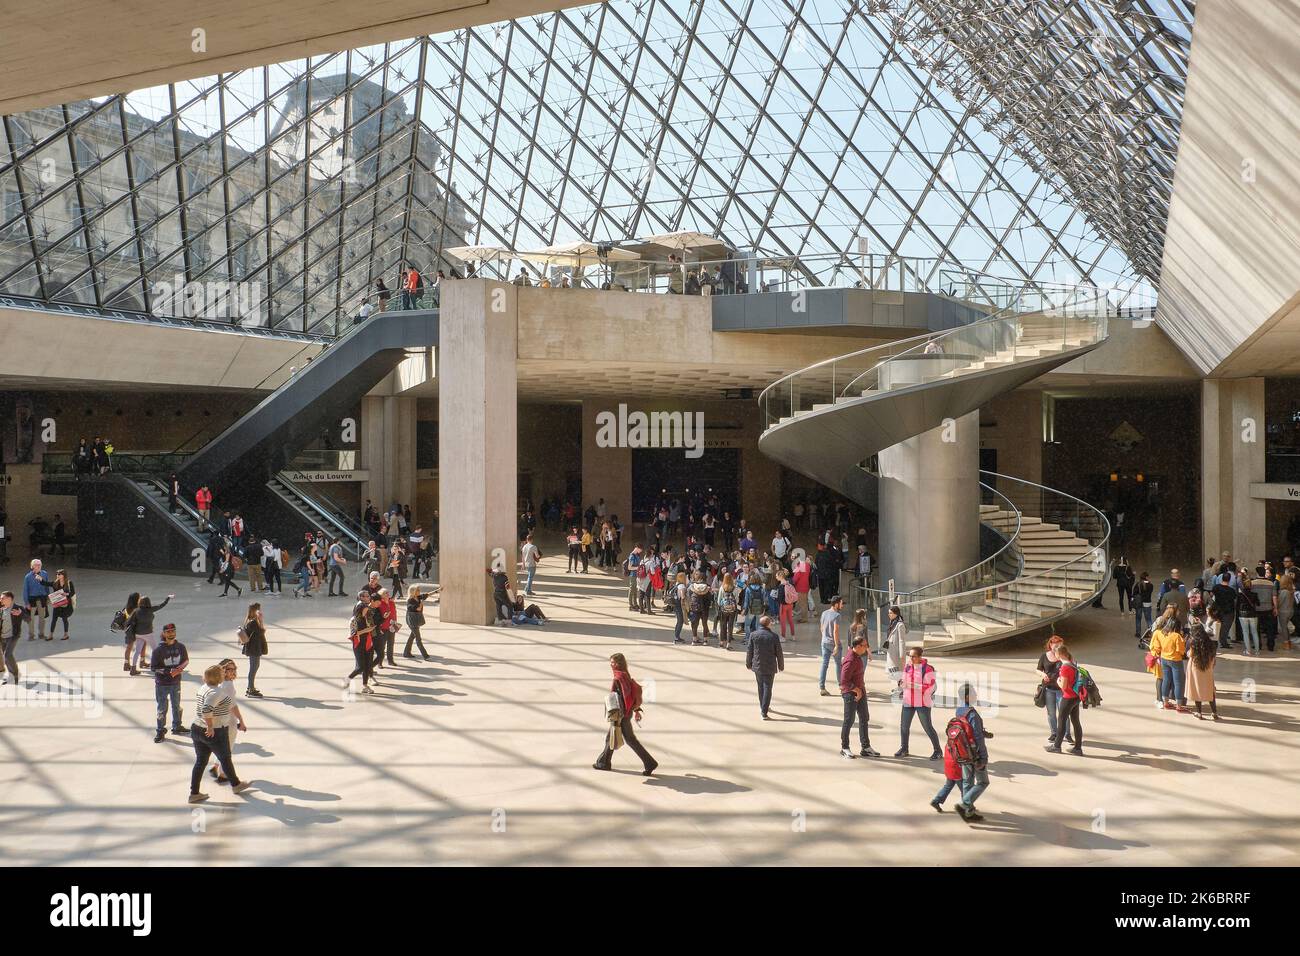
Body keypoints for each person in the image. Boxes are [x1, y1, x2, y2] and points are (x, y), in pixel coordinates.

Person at [188, 664, 250, 802]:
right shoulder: (217, 692)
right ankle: (236, 785)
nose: (224, 675)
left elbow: (229, 705)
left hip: (196, 728)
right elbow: (206, 709)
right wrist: (210, 726)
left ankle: (194, 793)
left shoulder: (203, 688)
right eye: (222, 673)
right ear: (218, 677)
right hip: (214, 730)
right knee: (225, 758)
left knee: (201, 761)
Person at [931, 683, 991, 822]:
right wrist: (984, 757)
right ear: (967, 696)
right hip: (974, 754)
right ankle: (965, 804)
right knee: (983, 782)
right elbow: (977, 737)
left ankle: (968, 812)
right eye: (974, 693)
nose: (976, 695)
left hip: (962, 752)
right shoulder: (972, 714)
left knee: (967, 782)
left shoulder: (959, 711)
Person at [593, 653, 658, 775]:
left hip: (620, 714)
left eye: (612, 662)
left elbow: (620, 698)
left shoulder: (618, 678)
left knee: (630, 740)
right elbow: (631, 696)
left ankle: (650, 763)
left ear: (618, 663)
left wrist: (622, 714)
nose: (610, 664)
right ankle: (604, 762)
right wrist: (635, 710)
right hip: (625, 713)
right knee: (611, 737)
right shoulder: (625, 674)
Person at [896, 645, 941, 759]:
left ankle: (938, 751)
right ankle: (904, 749)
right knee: (904, 727)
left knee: (927, 727)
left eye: (913, 657)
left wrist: (911, 685)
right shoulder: (908, 666)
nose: (911, 659)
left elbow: (928, 687)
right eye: (910, 656)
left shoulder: (928, 669)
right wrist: (901, 683)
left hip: (922, 702)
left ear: (920, 657)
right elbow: (904, 681)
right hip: (908, 701)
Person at [838, 635, 878, 758]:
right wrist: (856, 690)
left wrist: (861, 689)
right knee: (849, 720)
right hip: (851, 694)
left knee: (864, 718)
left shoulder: (858, 656)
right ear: (857, 646)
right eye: (865, 645)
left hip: (860, 691)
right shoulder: (850, 660)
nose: (867, 648)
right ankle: (845, 747)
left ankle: (865, 747)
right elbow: (843, 681)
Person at [150, 623, 188, 742]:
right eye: (168, 631)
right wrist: (169, 671)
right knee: (162, 708)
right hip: (161, 684)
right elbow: (153, 667)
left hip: (176, 683)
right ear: (164, 634)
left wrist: (179, 669)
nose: (171, 633)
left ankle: (177, 726)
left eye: (173, 631)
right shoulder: (158, 650)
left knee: (176, 705)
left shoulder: (181, 647)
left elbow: (186, 660)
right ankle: (160, 730)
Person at [1047, 643, 1084, 755]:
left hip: (1068, 697)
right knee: (1076, 722)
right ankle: (1078, 748)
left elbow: (1063, 685)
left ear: (1059, 654)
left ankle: (1056, 746)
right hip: (1076, 697)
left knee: (1061, 721)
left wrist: (1058, 680)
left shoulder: (1065, 667)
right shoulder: (1073, 663)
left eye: (1055, 653)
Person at [745, 615, 784, 719]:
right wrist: (781, 665)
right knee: (768, 687)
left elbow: (750, 650)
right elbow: (779, 652)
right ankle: (764, 711)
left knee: (760, 686)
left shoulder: (753, 635)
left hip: (757, 665)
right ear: (768, 624)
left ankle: (763, 705)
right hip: (770, 666)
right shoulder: (774, 636)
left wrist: (748, 663)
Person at [1036, 634, 1073, 744]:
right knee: (1051, 712)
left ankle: (1067, 734)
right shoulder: (1044, 656)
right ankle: (1054, 733)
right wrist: (1043, 675)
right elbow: (1037, 669)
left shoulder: (1065, 656)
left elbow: (1072, 666)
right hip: (1048, 689)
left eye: (1059, 646)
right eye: (1055, 645)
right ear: (1050, 645)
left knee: (1064, 713)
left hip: (1062, 689)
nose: (1057, 648)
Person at [1150, 607, 1188, 710]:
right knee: (1178, 681)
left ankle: (1165, 701)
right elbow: (1181, 651)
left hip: (1164, 659)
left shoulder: (1161, 633)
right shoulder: (1177, 636)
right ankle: (1179, 705)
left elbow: (1157, 647)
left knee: (1166, 679)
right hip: (1175, 660)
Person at [128, 593, 173, 676]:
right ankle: (157, 665)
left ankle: (133, 669)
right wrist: (168, 598)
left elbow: (129, 622)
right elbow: (162, 605)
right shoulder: (151, 610)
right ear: (148, 602)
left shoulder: (136, 611)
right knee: (155, 649)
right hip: (148, 633)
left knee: (137, 651)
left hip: (138, 634)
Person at [1186, 618, 1220, 720]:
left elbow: (1190, 654)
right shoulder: (1209, 642)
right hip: (1207, 667)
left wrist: (1188, 653)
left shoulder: (1193, 642)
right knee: (1210, 690)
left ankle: (1199, 713)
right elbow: (1213, 655)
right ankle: (1214, 712)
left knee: (1197, 690)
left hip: (1196, 668)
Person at [817, 594, 845, 696]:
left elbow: (822, 627)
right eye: (841, 603)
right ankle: (841, 686)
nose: (842, 605)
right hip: (833, 644)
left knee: (824, 664)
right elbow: (836, 631)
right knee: (838, 665)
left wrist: (825, 637)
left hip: (824, 642)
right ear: (836, 604)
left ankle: (822, 687)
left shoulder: (824, 613)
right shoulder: (837, 616)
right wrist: (837, 645)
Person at [240, 603, 267, 697]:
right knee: (253, 668)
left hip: (253, 647)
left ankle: (250, 687)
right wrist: (261, 620)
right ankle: (250, 689)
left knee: (255, 666)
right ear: (255, 611)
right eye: (259, 609)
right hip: (254, 648)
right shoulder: (253, 622)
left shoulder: (250, 620)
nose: (260, 611)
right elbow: (262, 631)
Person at [21, 558, 51, 640]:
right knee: (31, 619)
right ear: (32, 566)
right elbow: (25, 590)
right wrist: (27, 603)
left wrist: (48, 597)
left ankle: (41, 634)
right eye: (36, 565)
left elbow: (46, 586)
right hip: (32, 600)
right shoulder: (28, 577)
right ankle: (31, 635)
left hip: (42, 598)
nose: (38, 566)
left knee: (42, 618)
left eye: (39, 565)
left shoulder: (44, 574)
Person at [1, 592, 25, 687]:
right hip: (3, 636)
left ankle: (16, 673)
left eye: (2, 598)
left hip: (13, 635)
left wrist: (20, 613)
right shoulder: (1, 608)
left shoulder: (17, 607)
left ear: (9, 598)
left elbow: (28, 618)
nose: (1, 600)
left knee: (7, 654)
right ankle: (12, 675)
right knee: (5, 657)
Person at [882, 604, 906, 698]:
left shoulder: (900, 625)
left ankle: (902, 689)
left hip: (897, 653)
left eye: (891, 613)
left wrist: (902, 655)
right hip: (891, 651)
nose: (889, 615)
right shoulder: (892, 622)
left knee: (898, 671)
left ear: (896, 614)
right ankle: (899, 688)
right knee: (895, 671)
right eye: (888, 613)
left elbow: (902, 641)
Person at [686, 571, 713, 645]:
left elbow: (688, 596)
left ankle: (694, 640)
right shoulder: (707, 586)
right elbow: (710, 597)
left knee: (695, 624)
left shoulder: (692, 586)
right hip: (705, 607)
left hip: (695, 607)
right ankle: (705, 641)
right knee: (704, 624)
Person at [48, 568, 75, 640]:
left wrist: (66, 594)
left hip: (66, 604)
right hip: (57, 603)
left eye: (59, 574)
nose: (57, 575)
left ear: (63, 575)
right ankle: (50, 635)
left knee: (64, 619)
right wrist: (40, 579)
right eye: (57, 574)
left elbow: (72, 592)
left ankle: (66, 634)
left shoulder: (69, 583)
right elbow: (46, 583)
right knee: (54, 619)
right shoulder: (55, 583)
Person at [404, 587, 431, 659]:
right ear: (414, 592)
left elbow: (427, 594)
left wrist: (438, 590)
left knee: (412, 636)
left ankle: (406, 652)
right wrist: (421, 602)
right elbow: (418, 609)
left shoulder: (418, 597)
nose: (419, 591)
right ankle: (425, 655)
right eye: (418, 590)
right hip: (412, 621)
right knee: (418, 638)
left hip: (416, 620)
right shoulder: (410, 601)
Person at [1133, 570, 1154, 639]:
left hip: (1139, 604)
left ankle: (1138, 633)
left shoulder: (1138, 584)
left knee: (1138, 619)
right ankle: (1151, 632)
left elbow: (1134, 594)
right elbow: (1150, 592)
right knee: (1148, 619)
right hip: (1147, 604)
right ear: (1147, 577)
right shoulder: (1150, 585)